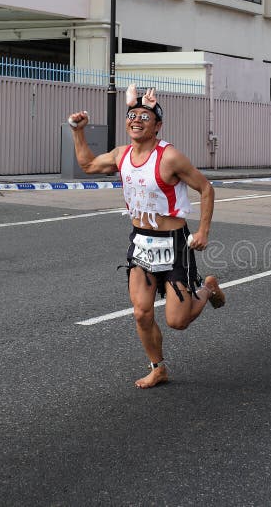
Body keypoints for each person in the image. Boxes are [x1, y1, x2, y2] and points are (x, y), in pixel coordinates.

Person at [68, 85, 226, 389]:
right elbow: (88, 165)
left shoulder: (170, 158)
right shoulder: (121, 155)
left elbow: (206, 188)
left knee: (177, 321)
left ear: (157, 126)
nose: (136, 119)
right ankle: (158, 368)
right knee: (141, 313)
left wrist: (203, 230)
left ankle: (206, 289)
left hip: (174, 243)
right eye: (132, 115)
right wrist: (78, 130)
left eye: (144, 115)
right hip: (141, 241)